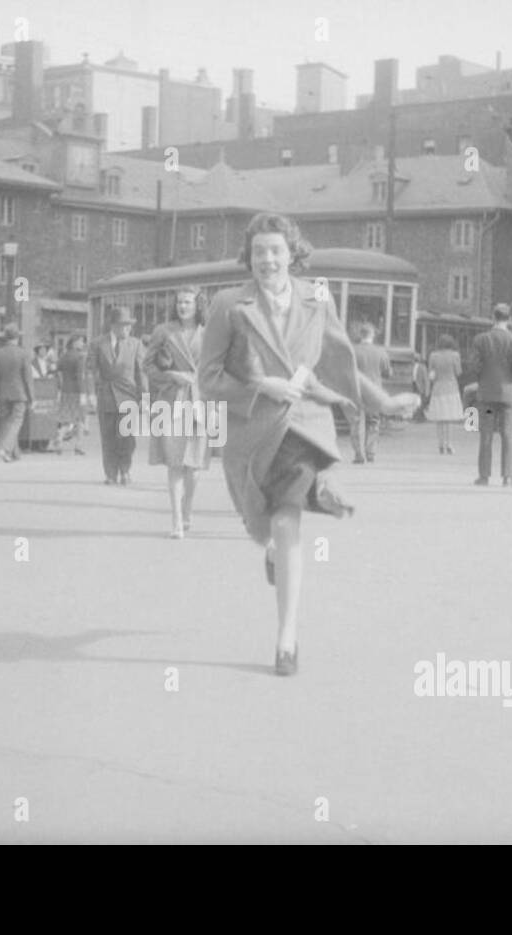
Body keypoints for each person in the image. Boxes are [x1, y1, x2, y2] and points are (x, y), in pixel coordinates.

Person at [199, 212, 393, 677]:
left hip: (304, 426)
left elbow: (339, 359)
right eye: (259, 251)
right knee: (269, 525)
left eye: (276, 250)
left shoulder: (318, 298)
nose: (268, 259)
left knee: (288, 524)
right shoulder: (229, 304)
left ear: (293, 255)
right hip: (255, 432)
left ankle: (286, 639)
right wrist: (261, 386)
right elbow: (208, 378)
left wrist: (379, 400)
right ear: (249, 257)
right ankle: (269, 549)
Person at [144, 286, 210, 537]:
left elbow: (219, 367)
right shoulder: (163, 331)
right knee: (174, 463)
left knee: (193, 467)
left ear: (198, 305)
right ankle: (176, 521)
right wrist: (169, 375)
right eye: (179, 302)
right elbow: (147, 364)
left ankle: (188, 508)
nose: (183, 306)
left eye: (188, 302)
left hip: (201, 402)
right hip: (171, 401)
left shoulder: (210, 332)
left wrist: (198, 379)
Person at [470, 304, 512, 487]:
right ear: (509, 319)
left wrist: (483, 379)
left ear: (492, 317)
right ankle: (508, 476)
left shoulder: (480, 340)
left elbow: (474, 367)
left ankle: (484, 476)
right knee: (507, 435)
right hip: (508, 397)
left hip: (487, 396)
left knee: (486, 435)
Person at [87, 307, 146, 485]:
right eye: (124, 325)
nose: (128, 329)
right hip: (106, 395)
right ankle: (111, 474)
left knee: (127, 437)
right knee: (108, 436)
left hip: (129, 396)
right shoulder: (97, 344)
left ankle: (125, 470)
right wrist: (90, 393)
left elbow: (141, 373)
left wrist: (145, 397)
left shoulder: (136, 344)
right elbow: (90, 371)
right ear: (113, 326)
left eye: (129, 325)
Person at [348, 321, 393, 463]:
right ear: (372, 335)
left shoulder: (352, 350)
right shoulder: (380, 351)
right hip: (374, 391)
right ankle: (371, 452)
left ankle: (358, 453)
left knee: (356, 421)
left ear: (360, 335)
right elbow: (387, 373)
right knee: (373, 422)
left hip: (356, 390)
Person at [0, 323, 34, 463]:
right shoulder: (23, 354)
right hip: (19, 393)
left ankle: (15, 453)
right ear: (17, 338)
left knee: (7, 421)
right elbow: (28, 377)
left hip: (3, 394)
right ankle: (6, 449)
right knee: (16, 422)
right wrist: (32, 397)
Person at [49, 335, 89, 455]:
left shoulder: (64, 356)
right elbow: (80, 376)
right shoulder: (80, 357)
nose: (83, 344)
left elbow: (56, 369)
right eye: (81, 341)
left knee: (66, 420)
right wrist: (83, 393)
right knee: (80, 419)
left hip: (65, 392)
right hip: (77, 392)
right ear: (75, 342)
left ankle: (59, 439)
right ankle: (78, 446)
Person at [425, 334, 463, 455]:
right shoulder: (455, 355)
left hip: (438, 389)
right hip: (451, 388)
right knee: (449, 419)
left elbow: (431, 373)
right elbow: (458, 372)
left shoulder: (433, 356)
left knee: (440, 419)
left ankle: (440, 444)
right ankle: (449, 444)